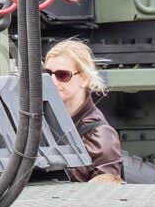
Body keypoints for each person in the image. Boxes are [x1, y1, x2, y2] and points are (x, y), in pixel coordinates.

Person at [44, 38, 123, 183]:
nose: (53, 81)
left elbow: (104, 196)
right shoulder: (38, 120)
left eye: (63, 75)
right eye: (48, 73)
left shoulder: (100, 136)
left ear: (84, 79)